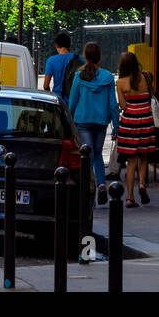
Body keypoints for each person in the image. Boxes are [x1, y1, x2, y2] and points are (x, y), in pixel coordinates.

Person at [66, 42, 119, 205]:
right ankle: (102, 185)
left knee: (86, 156)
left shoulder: (79, 76)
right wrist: (116, 126)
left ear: (85, 56)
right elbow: (112, 104)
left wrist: (68, 122)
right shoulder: (108, 77)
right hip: (101, 121)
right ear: (99, 56)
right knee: (96, 154)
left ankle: (88, 189)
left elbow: (73, 102)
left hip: (82, 120)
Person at [115, 51, 155, 207]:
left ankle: (130, 198)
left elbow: (123, 105)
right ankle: (142, 183)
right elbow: (152, 94)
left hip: (129, 123)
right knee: (143, 157)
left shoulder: (120, 83)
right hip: (146, 120)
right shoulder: (145, 77)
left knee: (131, 162)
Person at [42, 32, 77, 101]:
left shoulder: (51, 60)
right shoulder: (78, 59)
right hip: (74, 100)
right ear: (69, 45)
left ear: (56, 45)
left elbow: (46, 86)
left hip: (58, 100)